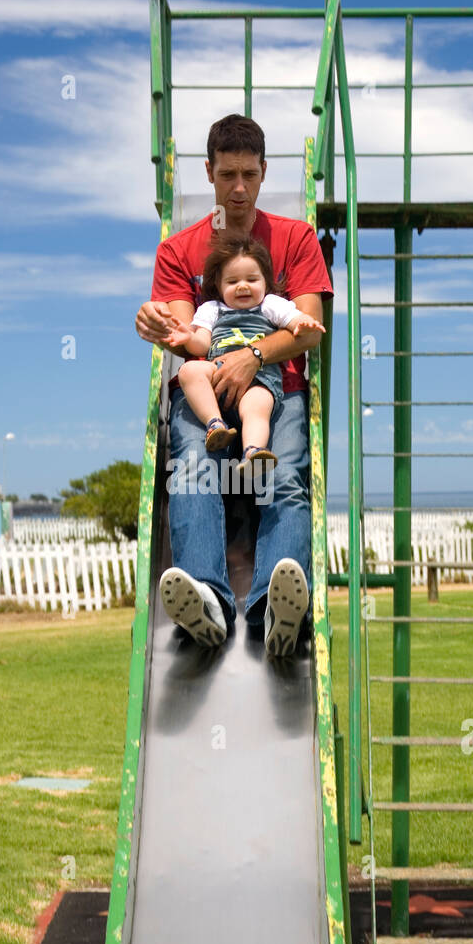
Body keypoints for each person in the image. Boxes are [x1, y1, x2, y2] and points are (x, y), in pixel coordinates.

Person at [134, 114, 333, 657]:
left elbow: (308, 328)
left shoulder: (296, 238)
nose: (239, 187)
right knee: (193, 474)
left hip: (275, 385)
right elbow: (188, 339)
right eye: (227, 175)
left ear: (264, 172)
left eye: (249, 173)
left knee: (285, 474)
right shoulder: (178, 250)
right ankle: (210, 603)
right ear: (209, 173)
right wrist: (160, 330)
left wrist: (251, 356)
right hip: (205, 391)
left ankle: (274, 604)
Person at [162, 233, 325, 469]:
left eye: (252, 279)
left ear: (265, 282)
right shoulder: (211, 309)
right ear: (218, 286)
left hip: (261, 379)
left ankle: (253, 452)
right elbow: (203, 345)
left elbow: (293, 319)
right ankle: (215, 423)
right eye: (232, 281)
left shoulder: (270, 304)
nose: (242, 286)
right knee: (189, 371)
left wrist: (303, 323)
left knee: (256, 409)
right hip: (219, 373)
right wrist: (188, 336)